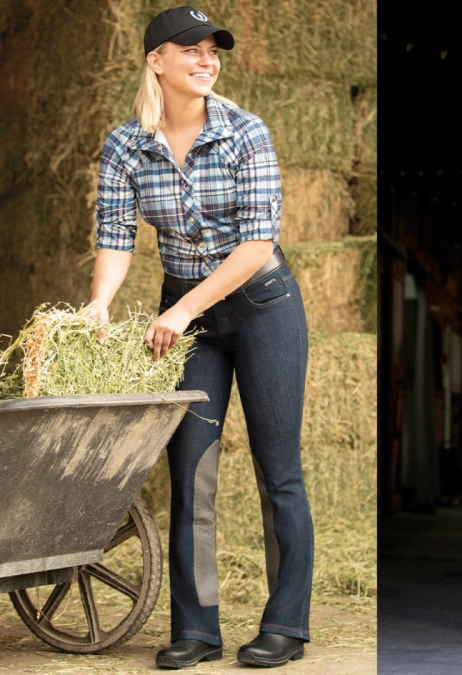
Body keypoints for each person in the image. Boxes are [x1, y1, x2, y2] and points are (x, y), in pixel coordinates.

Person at [84, 7, 313, 669]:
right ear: (156, 60)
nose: (206, 60)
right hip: (188, 319)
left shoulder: (247, 134)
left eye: (213, 50)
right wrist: (100, 301)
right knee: (191, 471)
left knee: (280, 471)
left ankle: (286, 625)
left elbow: (257, 244)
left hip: (263, 305)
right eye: (191, 50)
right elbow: (115, 237)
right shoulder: (126, 145)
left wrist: (182, 308)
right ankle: (197, 627)